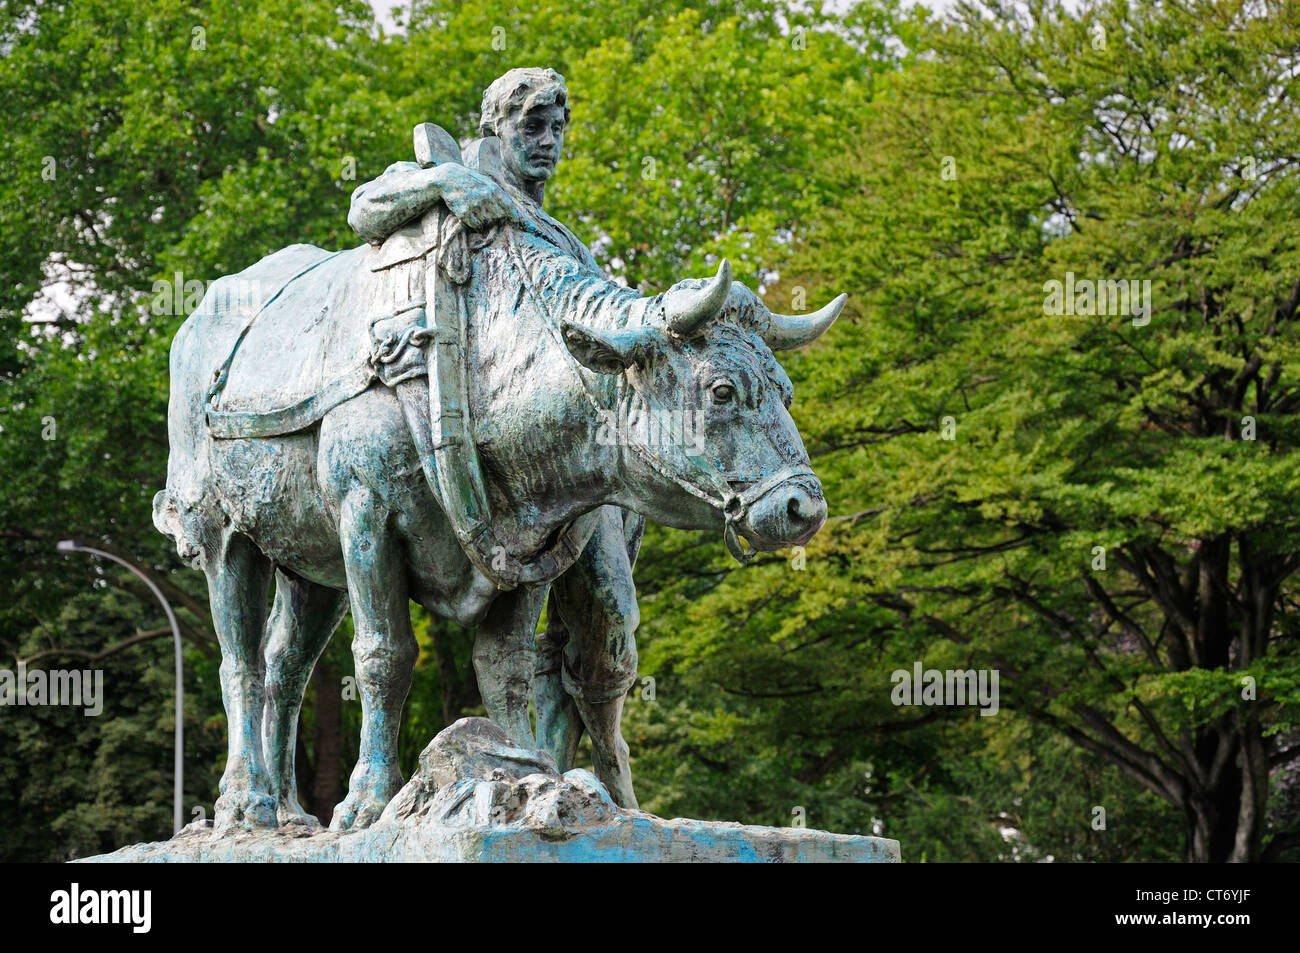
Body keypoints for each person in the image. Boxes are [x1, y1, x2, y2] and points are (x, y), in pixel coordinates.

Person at [346, 68, 644, 807]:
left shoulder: (564, 239)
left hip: (556, 454)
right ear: (494, 127)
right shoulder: (447, 170)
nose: (549, 142)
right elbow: (364, 208)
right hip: (450, 428)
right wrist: (443, 188)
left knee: (611, 613)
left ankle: (583, 757)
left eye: (559, 127)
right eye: (532, 125)